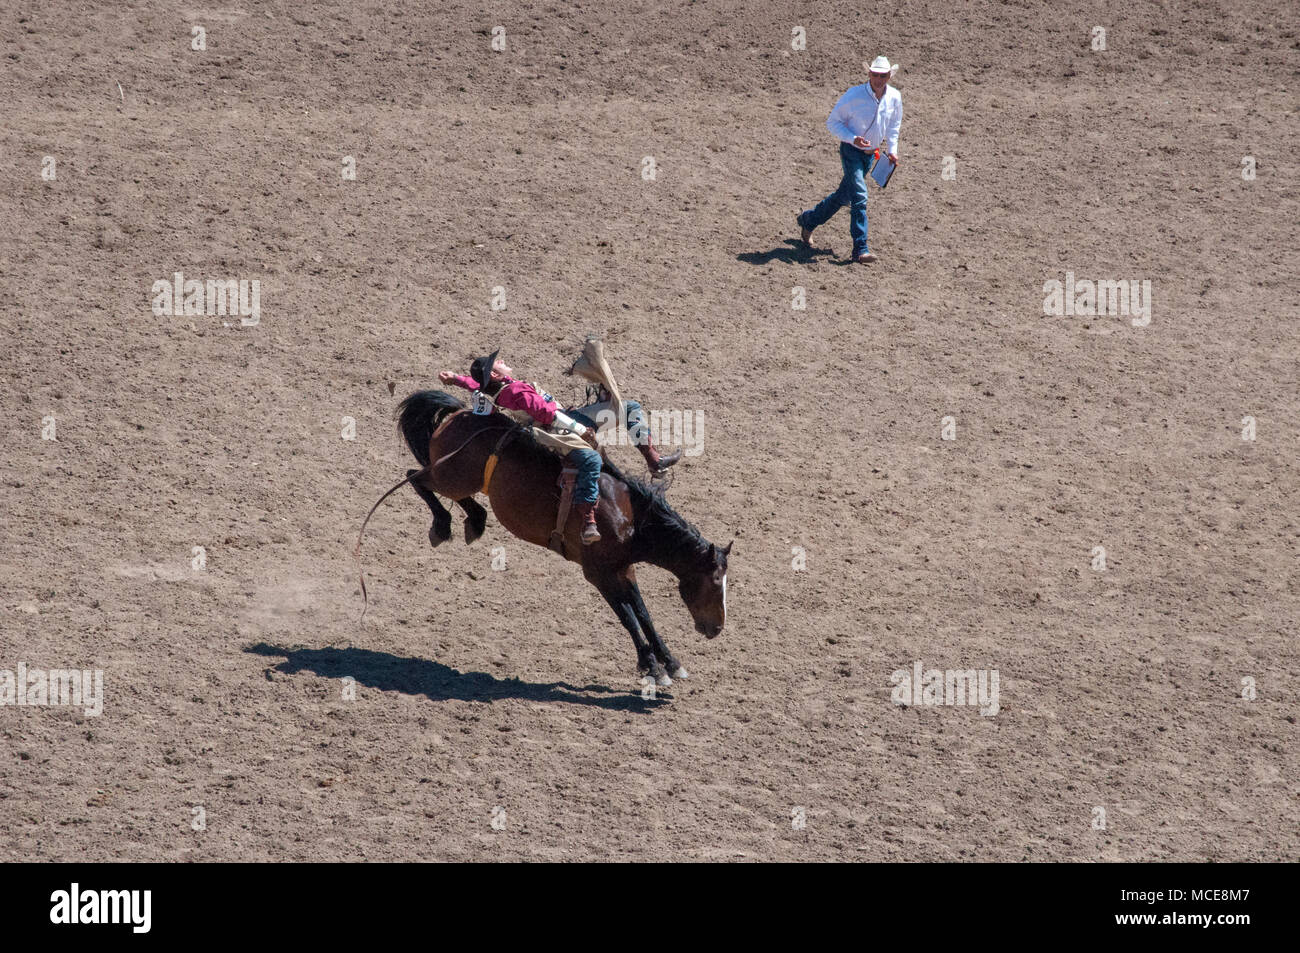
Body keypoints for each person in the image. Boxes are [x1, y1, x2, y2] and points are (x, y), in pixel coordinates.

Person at [440, 351, 604, 544]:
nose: (501, 360)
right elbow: (546, 414)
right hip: (551, 428)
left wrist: (457, 379)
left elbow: (479, 385)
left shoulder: (503, 387)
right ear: (494, 375)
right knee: (591, 459)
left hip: (551, 420)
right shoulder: (516, 391)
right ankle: (587, 519)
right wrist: (581, 429)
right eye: (496, 362)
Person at [796, 55, 902, 264]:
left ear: (889, 76)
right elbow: (833, 122)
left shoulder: (895, 97)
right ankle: (860, 249)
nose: (878, 79)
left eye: (882, 75)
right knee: (860, 197)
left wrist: (892, 149)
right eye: (874, 75)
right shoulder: (853, 95)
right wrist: (852, 138)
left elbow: (893, 126)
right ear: (869, 74)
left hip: (871, 155)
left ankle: (808, 220)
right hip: (851, 152)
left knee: (843, 196)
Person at [564, 336, 681, 475]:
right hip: (566, 419)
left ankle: (654, 459)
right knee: (630, 409)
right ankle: (655, 460)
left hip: (563, 418)